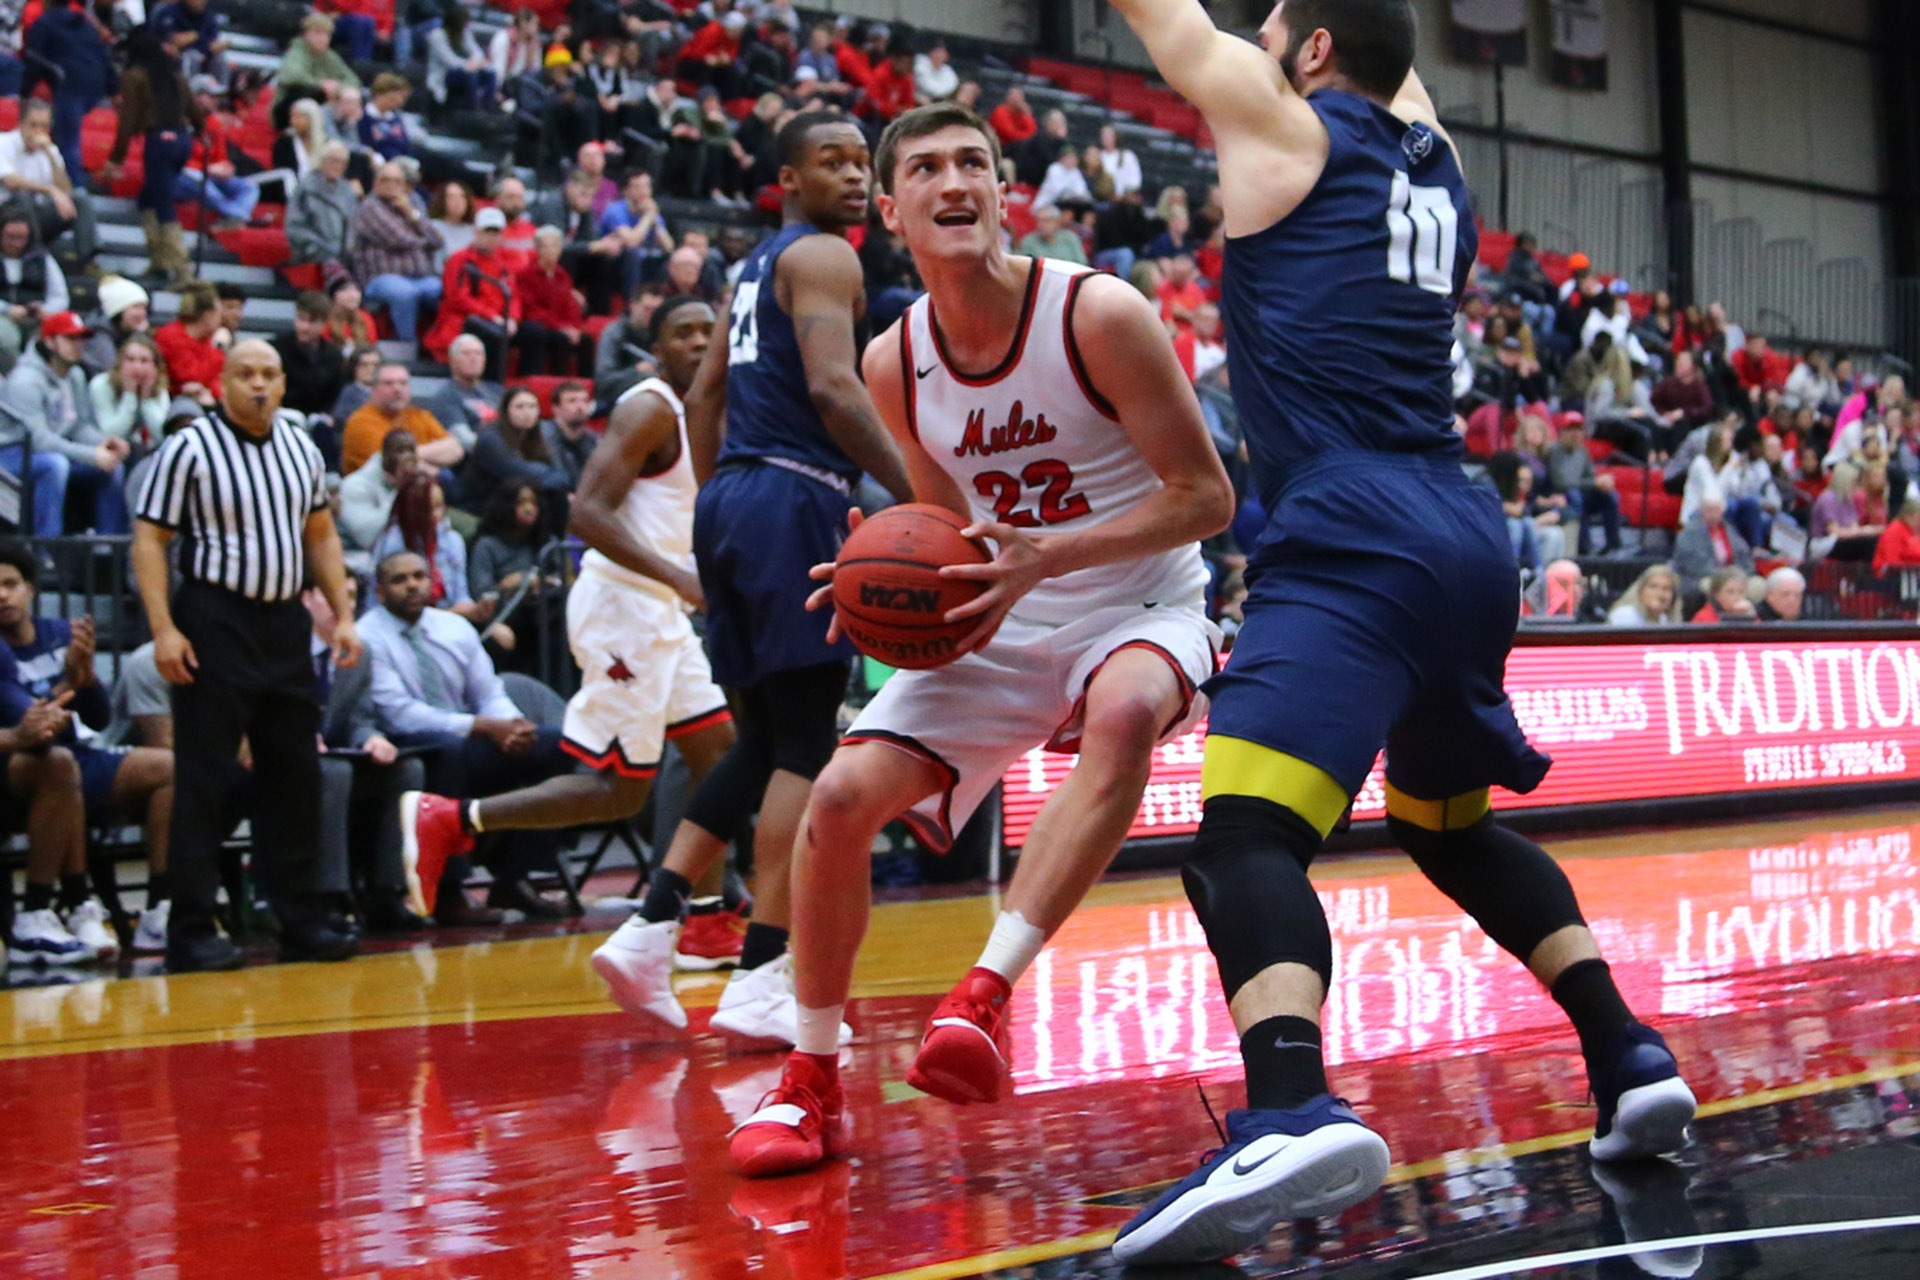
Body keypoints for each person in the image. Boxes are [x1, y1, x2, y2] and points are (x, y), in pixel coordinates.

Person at [1100, 2, 1696, 1264]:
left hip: (1353, 525)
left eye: (1274, 27)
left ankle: (1289, 1104)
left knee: (1245, 837)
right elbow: (1390, 50)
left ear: (1314, 51)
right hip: (1465, 532)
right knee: (1448, 825)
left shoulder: (1285, 129)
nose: (1257, 44)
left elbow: (1166, 24)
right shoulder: (1441, 158)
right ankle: (1627, 1052)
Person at [729, 103, 1235, 1176]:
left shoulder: (1098, 313)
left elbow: (1206, 497)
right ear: (889, 209)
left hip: (1138, 604)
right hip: (1002, 611)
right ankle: (810, 1078)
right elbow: (949, 526)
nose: (954, 182)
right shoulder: (892, 362)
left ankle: (984, 993)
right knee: (837, 798)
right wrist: (879, 578)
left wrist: (1049, 557)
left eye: (974, 163)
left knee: (1125, 712)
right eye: (926, 168)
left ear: (1005, 193)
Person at [664, 111, 917, 1049]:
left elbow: (704, 397)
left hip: (732, 496)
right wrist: (922, 494)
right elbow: (835, 390)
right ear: (787, 179)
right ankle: (765, 969)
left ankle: (658, 925)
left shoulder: (752, 265)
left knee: (767, 735)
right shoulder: (824, 255)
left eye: (861, 162)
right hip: (791, 494)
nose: (854, 176)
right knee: (803, 742)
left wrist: (720, 499)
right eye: (831, 161)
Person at [131, 340, 363, 972]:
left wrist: (342, 615)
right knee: (205, 777)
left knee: (296, 774)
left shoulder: (301, 447)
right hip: (215, 618)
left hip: (285, 622)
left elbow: (321, 532)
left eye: (268, 375)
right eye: (245, 375)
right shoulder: (189, 447)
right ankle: (191, 929)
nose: (258, 385)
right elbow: (150, 539)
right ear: (222, 382)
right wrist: (164, 629)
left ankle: (301, 921)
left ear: (283, 384)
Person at [359, 551, 572, 921]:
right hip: (403, 745)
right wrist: (487, 727)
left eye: (418, 576)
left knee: (556, 745)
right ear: (379, 591)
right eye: (399, 580)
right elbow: (399, 713)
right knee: (449, 751)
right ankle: (449, 892)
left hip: (467, 736)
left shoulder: (454, 628)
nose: (412, 585)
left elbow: (489, 693)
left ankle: (514, 878)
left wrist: (514, 727)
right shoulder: (367, 635)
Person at [0, 539, 175, 956]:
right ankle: (54, 908)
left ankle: (160, 908)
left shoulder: (61, 633)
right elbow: (32, 725)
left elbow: (97, 719)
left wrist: (88, 679)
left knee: (171, 767)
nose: (2, 596)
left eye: (10, 584)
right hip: (17, 765)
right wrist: (67, 683)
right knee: (60, 766)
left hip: (70, 755)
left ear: (31, 588)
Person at [0, 311, 130, 536]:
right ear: (50, 342)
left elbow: (80, 425)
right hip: (11, 454)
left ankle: (105, 545)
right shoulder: (25, 380)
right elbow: (39, 441)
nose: (79, 344)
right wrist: (91, 455)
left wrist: (104, 444)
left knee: (111, 467)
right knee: (54, 465)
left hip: (52, 450)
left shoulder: (75, 375)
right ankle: (46, 548)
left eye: (81, 337)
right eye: (70, 338)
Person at [105, 24, 203, 287]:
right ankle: (159, 261)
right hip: (182, 140)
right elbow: (196, 112)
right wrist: (201, 132)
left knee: (162, 202)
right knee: (148, 199)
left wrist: (116, 157)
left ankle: (181, 269)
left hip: (159, 142)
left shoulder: (134, 75)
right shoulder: (174, 76)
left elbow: (127, 121)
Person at [354, 161, 445, 347]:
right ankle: (407, 345)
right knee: (404, 292)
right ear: (375, 183)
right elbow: (399, 239)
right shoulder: (369, 207)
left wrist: (411, 213)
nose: (391, 185)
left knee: (443, 289)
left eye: (396, 181)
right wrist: (424, 240)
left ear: (405, 185)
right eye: (385, 180)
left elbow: (437, 240)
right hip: (380, 278)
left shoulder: (412, 203)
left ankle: (438, 343)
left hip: (420, 277)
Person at [423, 208, 516, 376]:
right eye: (487, 231)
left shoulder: (503, 264)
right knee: (491, 334)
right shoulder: (459, 260)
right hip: (462, 323)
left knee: (533, 333)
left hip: (496, 322)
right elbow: (457, 297)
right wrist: (490, 315)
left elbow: (513, 295)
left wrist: (512, 318)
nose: (491, 237)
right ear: (476, 232)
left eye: (496, 232)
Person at [0, 97, 94, 259]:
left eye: (44, 126)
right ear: (21, 123)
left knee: (80, 199)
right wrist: (50, 189)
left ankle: (89, 257)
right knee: (23, 198)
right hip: (6, 213)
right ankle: (35, 257)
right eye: (33, 125)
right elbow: (10, 180)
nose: (38, 131)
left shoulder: (50, 150)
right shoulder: (3, 142)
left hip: (37, 214)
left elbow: (65, 190)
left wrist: (50, 155)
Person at [341, 362, 465, 476]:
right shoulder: (360, 421)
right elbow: (391, 466)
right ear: (374, 389)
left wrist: (409, 454)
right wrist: (432, 463)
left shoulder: (419, 415)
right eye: (388, 383)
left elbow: (455, 449)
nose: (397, 389)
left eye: (403, 383)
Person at [514, 226, 591, 376]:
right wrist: (560, 327)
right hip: (541, 325)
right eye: (546, 246)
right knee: (559, 338)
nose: (551, 251)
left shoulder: (563, 275)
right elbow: (531, 310)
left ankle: (586, 382)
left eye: (555, 246)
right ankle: (556, 380)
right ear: (537, 249)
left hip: (560, 325)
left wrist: (573, 327)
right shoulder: (525, 275)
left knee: (586, 340)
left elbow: (571, 306)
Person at [0, 206, 67, 373]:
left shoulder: (42, 259)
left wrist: (45, 310)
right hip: (3, 317)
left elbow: (60, 296)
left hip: (36, 318)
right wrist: (8, 309)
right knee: (6, 338)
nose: (16, 243)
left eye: (21, 237)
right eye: (10, 237)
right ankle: (16, 376)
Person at [337, 426, 417, 561]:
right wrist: (402, 491)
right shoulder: (355, 485)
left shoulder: (417, 480)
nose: (407, 457)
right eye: (400, 451)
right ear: (384, 453)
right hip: (358, 556)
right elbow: (367, 538)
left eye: (411, 450)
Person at [285, 141, 360, 273]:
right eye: (334, 161)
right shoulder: (306, 188)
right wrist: (318, 247)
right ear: (322, 161)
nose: (338, 166)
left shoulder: (347, 191)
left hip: (345, 256)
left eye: (343, 163)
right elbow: (294, 227)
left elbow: (354, 226)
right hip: (313, 254)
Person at [272, 291, 346, 420]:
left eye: (312, 321)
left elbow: (333, 398)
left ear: (324, 323)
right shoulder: (276, 349)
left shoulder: (334, 357)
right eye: (301, 319)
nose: (304, 327)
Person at [420, 334, 502, 451]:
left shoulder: (497, 391)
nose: (473, 358)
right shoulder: (446, 397)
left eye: (478, 353)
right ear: (452, 361)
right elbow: (465, 441)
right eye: (466, 353)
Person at [89, 332, 171, 449]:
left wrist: (147, 397)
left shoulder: (158, 388)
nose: (137, 367)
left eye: (144, 361)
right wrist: (129, 394)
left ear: (155, 366)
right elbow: (109, 435)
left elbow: (163, 436)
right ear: (120, 363)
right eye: (130, 360)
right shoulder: (101, 384)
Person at [276, 13, 361, 104]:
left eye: (327, 34)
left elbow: (353, 80)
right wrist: (321, 84)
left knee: (351, 95)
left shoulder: (329, 55)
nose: (323, 38)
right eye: (317, 33)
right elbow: (292, 76)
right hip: (290, 105)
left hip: (322, 103)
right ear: (306, 34)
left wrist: (337, 87)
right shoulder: (297, 52)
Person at [1673, 495, 1755, 587]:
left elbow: (1744, 554)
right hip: (1700, 577)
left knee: (1756, 584)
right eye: (1709, 510)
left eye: (1716, 510)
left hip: (1733, 575)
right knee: (1709, 585)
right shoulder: (1690, 532)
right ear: (1702, 511)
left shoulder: (1730, 530)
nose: (1713, 514)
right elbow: (1694, 563)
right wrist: (1723, 575)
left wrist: (1741, 573)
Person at [541, 380, 601, 489]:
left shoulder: (593, 439)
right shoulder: (543, 436)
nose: (580, 407)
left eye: (585, 401)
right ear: (556, 408)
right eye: (572, 401)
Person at [1607, 564, 1682, 626]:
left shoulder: (1664, 619)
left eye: (1666, 589)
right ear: (1640, 591)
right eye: (1653, 587)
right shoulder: (1626, 614)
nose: (1659, 593)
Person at [1872, 496, 1920, 576]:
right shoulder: (1895, 530)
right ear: (1910, 516)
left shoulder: (1911, 530)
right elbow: (1892, 564)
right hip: (1893, 577)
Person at [1691, 566, 1755, 623]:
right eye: (1730, 592)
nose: (1737, 597)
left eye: (1741, 592)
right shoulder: (1703, 618)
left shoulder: (1748, 613)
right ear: (1717, 595)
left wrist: (1750, 617)